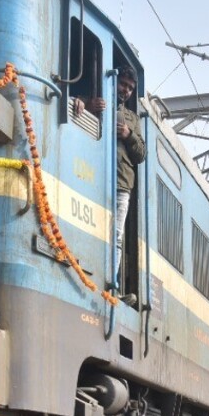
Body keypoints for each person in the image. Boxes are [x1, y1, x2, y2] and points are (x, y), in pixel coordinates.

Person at [77, 66, 146, 294]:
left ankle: (111, 283)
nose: (125, 90)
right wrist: (87, 106)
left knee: (116, 236)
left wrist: (129, 135)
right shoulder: (95, 100)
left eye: (129, 88)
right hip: (92, 174)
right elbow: (74, 107)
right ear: (115, 81)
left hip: (122, 183)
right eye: (123, 84)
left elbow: (141, 155)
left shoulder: (133, 120)